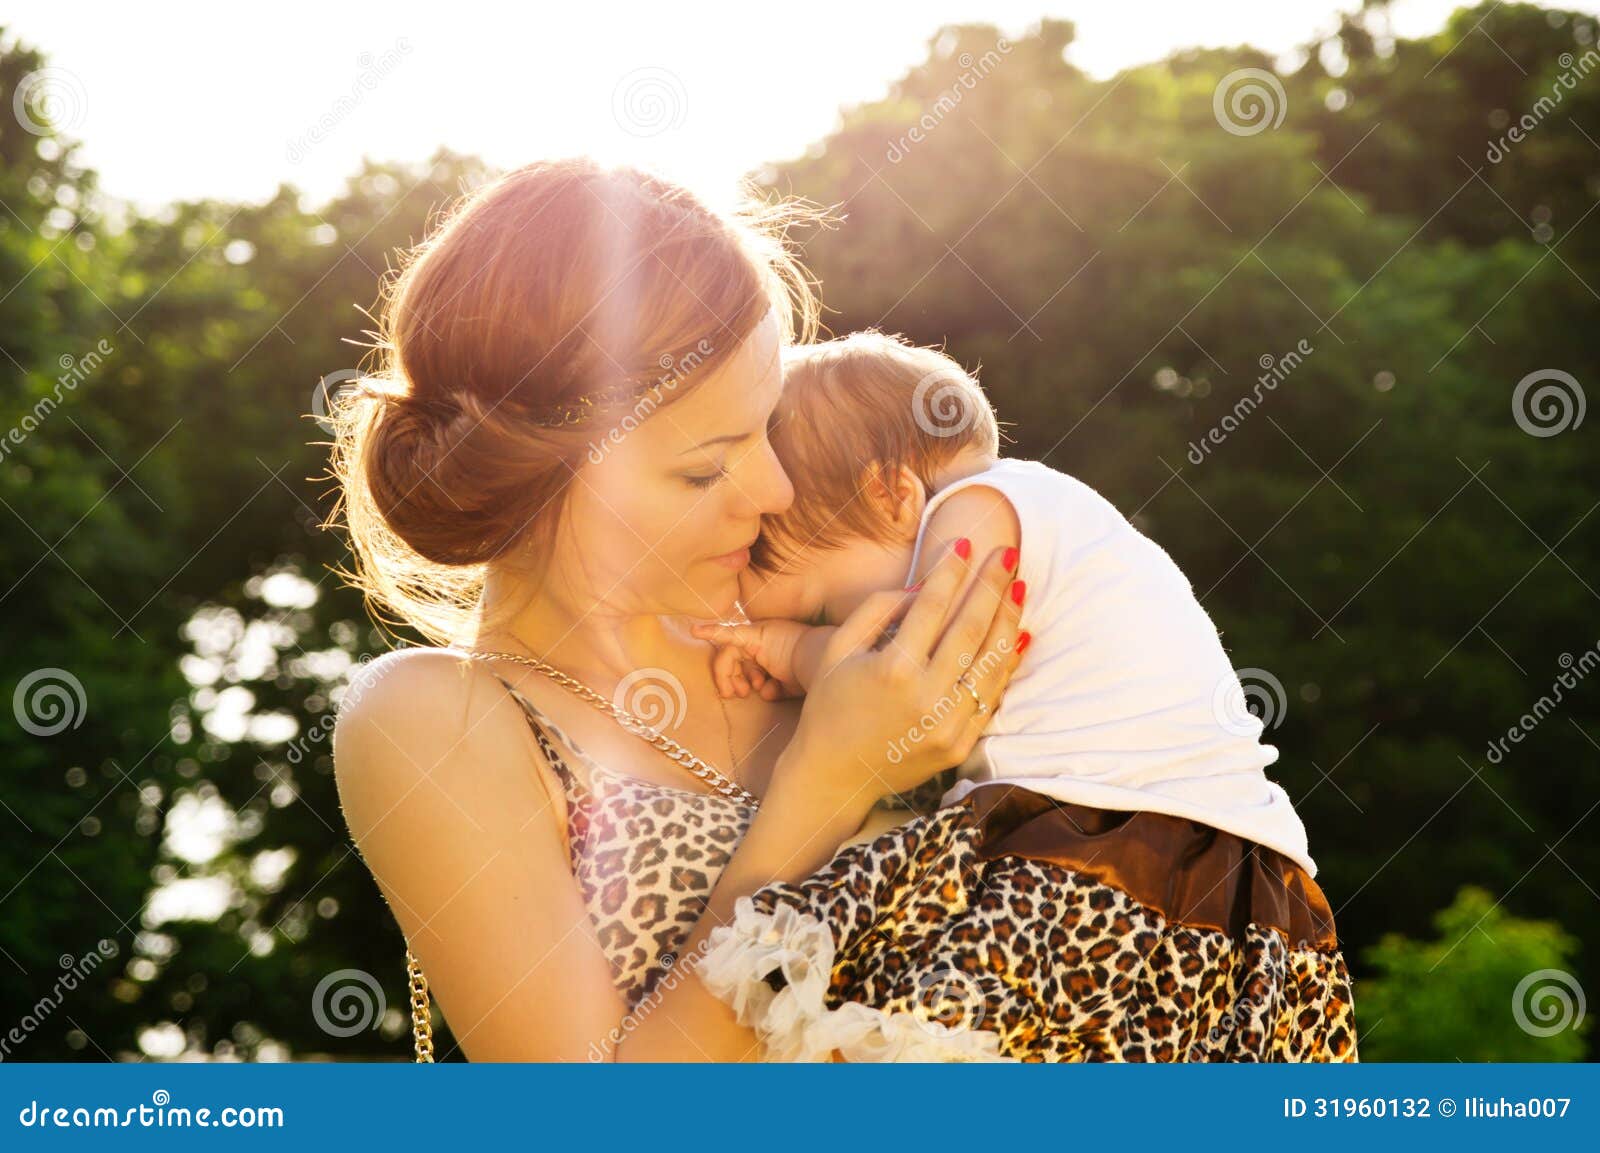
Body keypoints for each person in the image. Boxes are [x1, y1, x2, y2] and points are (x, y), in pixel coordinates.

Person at [328, 160, 1025, 1061]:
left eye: (770, 426)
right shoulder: (438, 718)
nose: (774, 489)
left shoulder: (828, 618)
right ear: (539, 476)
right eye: (706, 466)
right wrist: (828, 786)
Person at [689, 330, 1359, 1061]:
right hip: (1237, 895)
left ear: (890, 493)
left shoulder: (978, 508)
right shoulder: (1059, 509)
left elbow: (907, 668)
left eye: (821, 602)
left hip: (1113, 851)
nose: (832, 632)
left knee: (908, 1025)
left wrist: (789, 650)